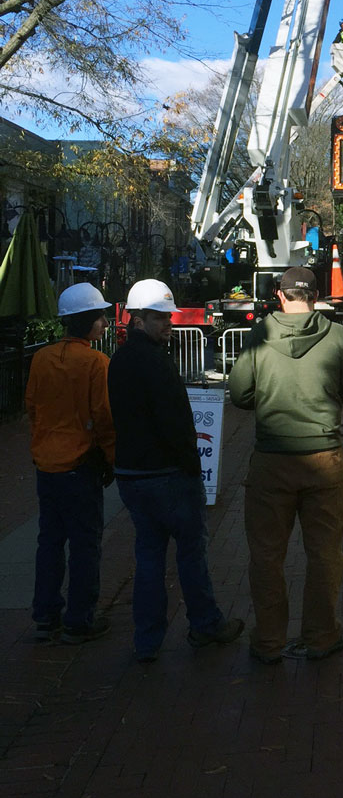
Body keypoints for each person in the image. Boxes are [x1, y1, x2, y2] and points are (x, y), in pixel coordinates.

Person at [229, 266, 343, 664]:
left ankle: (269, 641)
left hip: (271, 461)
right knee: (324, 554)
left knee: (266, 555)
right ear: (317, 294)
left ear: (280, 294)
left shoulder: (260, 334)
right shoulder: (337, 335)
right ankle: (321, 636)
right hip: (325, 459)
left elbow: (239, 393)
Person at [108, 279, 243, 663]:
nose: (169, 323)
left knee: (149, 557)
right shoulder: (156, 362)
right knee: (190, 553)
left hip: (133, 475)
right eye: (160, 318)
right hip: (167, 476)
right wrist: (190, 470)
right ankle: (204, 624)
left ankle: (147, 641)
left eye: (168, 317)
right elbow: (176, 424)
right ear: (138, 318)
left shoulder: (120, 360)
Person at [26, 284, 115, 644]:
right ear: (90, 323)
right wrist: (112, 458)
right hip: (81, 464)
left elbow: (32, 405)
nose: (106, 323)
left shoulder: (42, 359)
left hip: (46, 463)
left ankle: (45, 615)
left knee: (49, 540)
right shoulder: (97, 363)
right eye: (102, 317)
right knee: (84, 543)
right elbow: (105, 417)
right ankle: (79, 618)